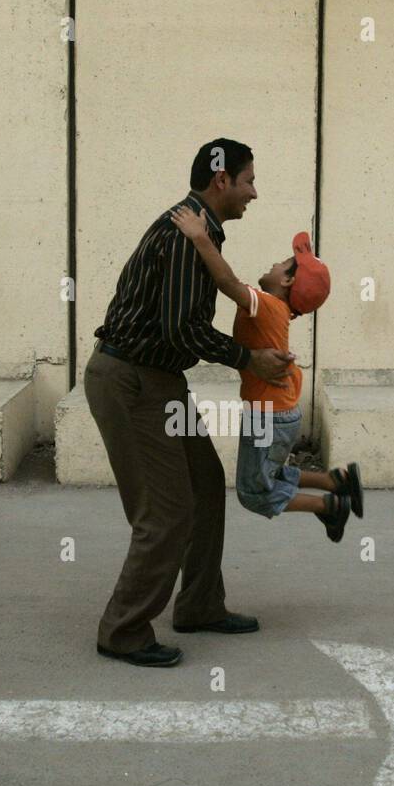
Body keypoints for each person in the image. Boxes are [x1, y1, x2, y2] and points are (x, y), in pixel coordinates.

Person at [84, 138, 295, 668]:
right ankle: (124, 630)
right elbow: (183, 330)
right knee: (166, 511)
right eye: (248, 180)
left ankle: (200, 605)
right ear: (221, 180)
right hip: (131, 382)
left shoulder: (200, 232)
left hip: (160, 382)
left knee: (205, 488)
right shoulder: (185, 236)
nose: (254, 192)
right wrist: (249, 360)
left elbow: (217, 296)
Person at [169, 206, 364, 539]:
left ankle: (329, 505)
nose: (275, 263)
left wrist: (200, 237)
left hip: (267, 416)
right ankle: (334, 482)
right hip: (279, 412)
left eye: (283, 263)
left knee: (253, 492)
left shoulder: (267, 305)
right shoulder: (277, 310)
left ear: (287, 280)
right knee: (267, 472)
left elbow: (227, 282)